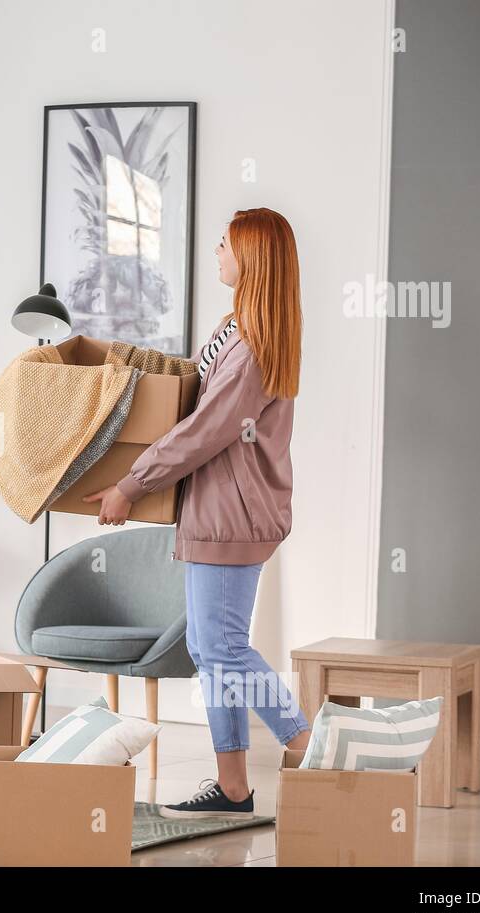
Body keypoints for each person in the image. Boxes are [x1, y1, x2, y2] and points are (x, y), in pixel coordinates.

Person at [83, 207, 313, 820]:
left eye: (226, 245)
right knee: (217, 653)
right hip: (216, 510)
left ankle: (310, 747)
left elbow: (204, 431)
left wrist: (132, 483)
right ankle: (233, 788)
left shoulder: (255, 345)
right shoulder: (238, 328)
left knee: (224, 651)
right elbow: (191, 396)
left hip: (230, 515)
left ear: (252, 259)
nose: (216, 251)